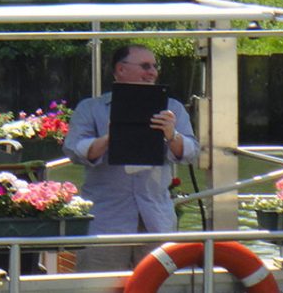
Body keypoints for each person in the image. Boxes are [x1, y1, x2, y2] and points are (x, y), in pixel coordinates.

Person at [62, 44, 199, 272]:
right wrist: (108, 138)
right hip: (105, 221)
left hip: (156, 221)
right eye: (145, 66)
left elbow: (191, 152)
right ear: (120, 69)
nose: (152, 72)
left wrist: (171, 135)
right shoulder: (90, 108)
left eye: (155, 66)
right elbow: (74, 149)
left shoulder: (172, 109)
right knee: (100, 287)